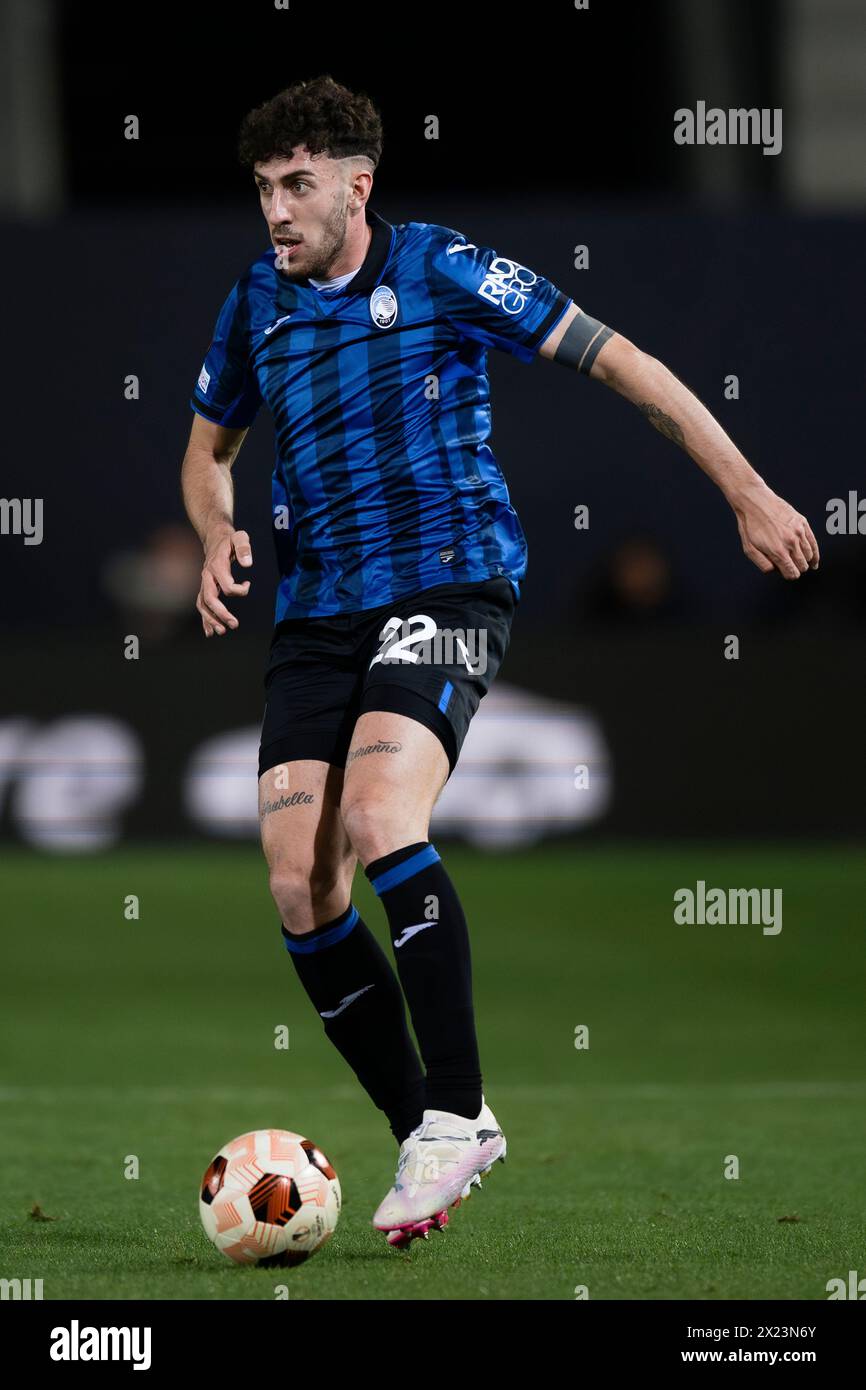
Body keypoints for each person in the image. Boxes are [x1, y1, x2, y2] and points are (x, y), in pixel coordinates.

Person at [181, 75, 819, 1250]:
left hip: (446, 582)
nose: (276, 209)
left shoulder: (442, 270)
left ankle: (458, 1104)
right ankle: (425, 1135)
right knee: (295, 880)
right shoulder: (252, 304)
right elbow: (206, 448)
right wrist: (214, 525)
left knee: (378, 814)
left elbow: (620, 362)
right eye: (264, 187)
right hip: (318, 615)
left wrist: (746, 490)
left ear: (355, 185)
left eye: (298, 185)